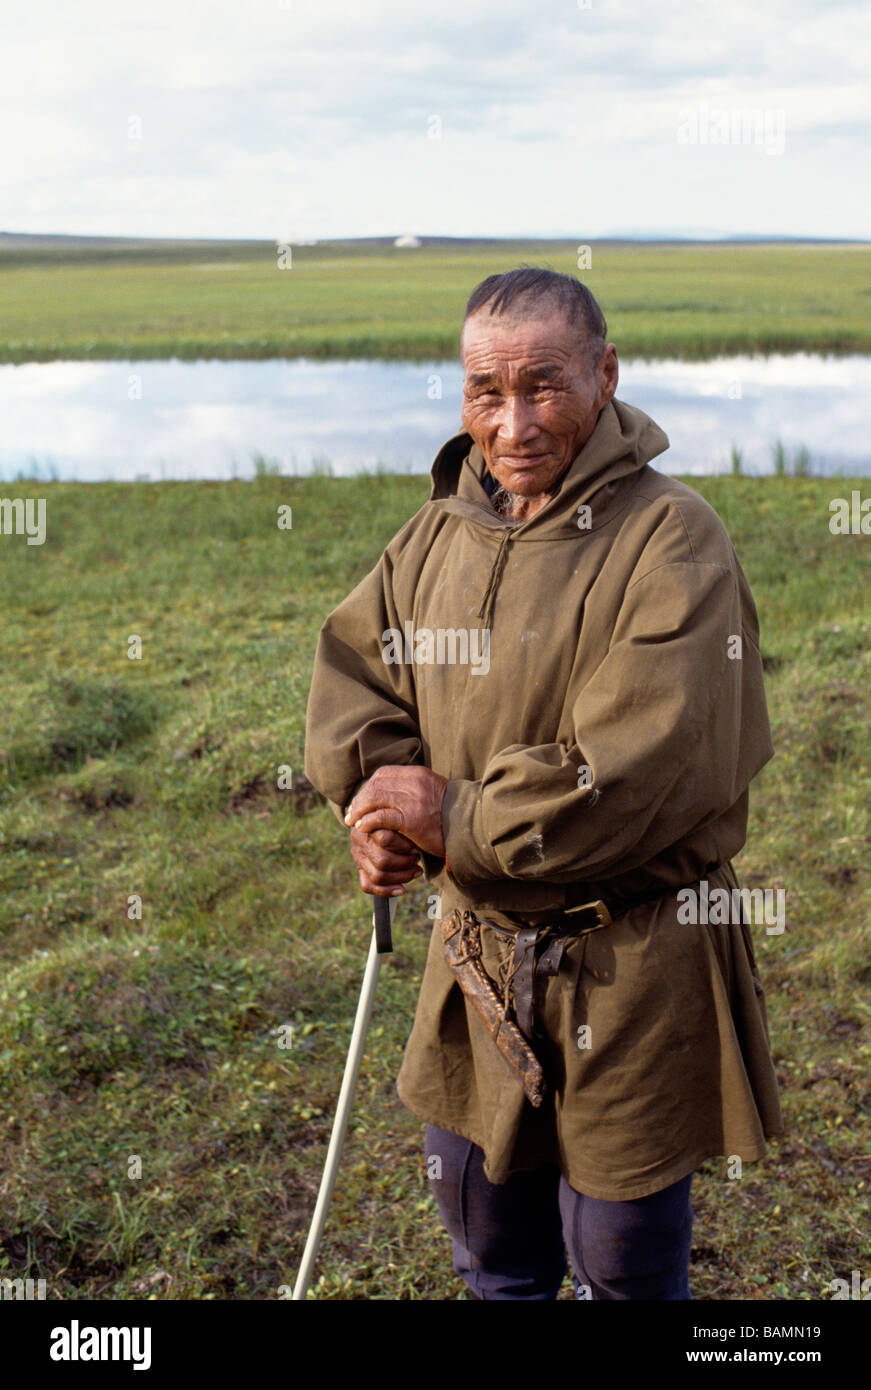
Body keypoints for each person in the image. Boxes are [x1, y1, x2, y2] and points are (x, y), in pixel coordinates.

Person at [304, 268, 783, 1300]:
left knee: (623, 1265)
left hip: (632, 965)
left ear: (604, 375)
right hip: (473, 955)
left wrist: (453, 813)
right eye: (486, 390)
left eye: (543, 385)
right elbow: (358, 675)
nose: (512, 423)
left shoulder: (672, 538)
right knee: (492, 1253)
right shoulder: (436, 534)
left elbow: (637, 767)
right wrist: (374, 796)